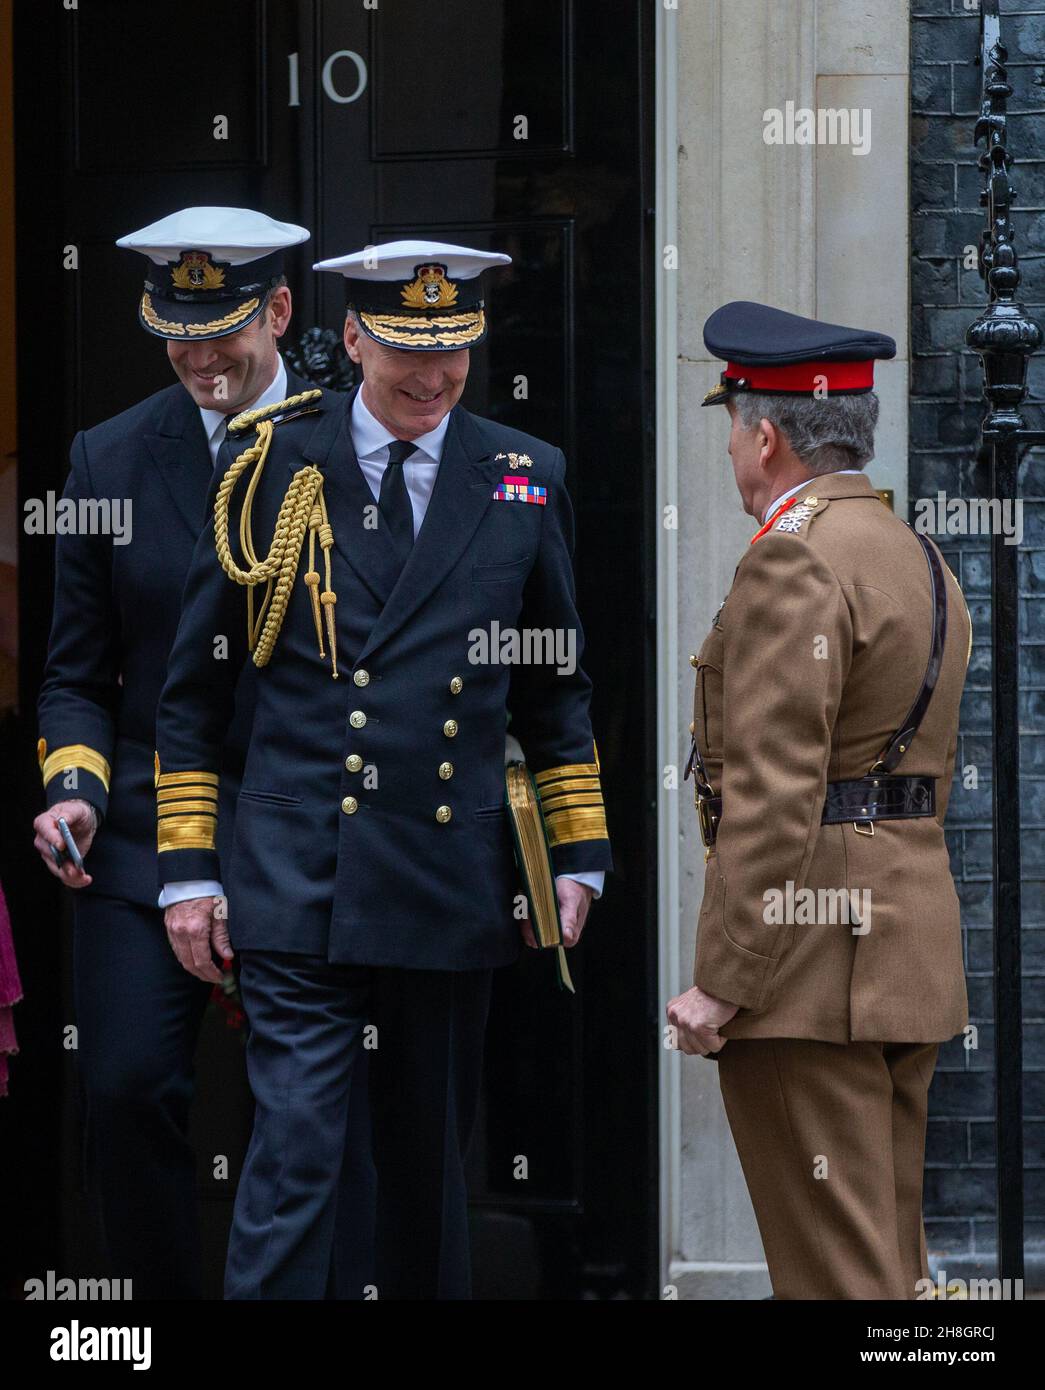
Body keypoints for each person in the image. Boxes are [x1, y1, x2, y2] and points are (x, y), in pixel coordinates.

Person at [155, 239, 612, 1299]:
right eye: (408, 354)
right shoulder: (265, 462)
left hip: (445, 876)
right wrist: (188, 867)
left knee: (423, 1167)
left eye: (452, 354)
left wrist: (575, 856)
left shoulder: (521, 475)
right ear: (354, 339)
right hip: (296, 872)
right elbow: (194, 691)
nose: (432, 379)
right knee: (294, 1156)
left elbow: (553, 685)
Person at [34, 206, 373, 1298]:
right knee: (125, 1086)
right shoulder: (108, 457)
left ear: (277, 310)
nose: (198, 355)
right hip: (140, 828)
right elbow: (75, 673)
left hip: (308, 823)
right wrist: (75, 788)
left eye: (221, 328)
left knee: (325, 1105)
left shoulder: (348, 444)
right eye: (176, 330)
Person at [667, 301, 971, 1300]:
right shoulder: (915, 552)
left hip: (811, 976)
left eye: (732, 425)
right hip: (903, 952)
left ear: (762, 435)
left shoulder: (793, 555)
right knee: (889, 1277)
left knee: (837, 1283)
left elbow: (773, 792)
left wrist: (724, 976)